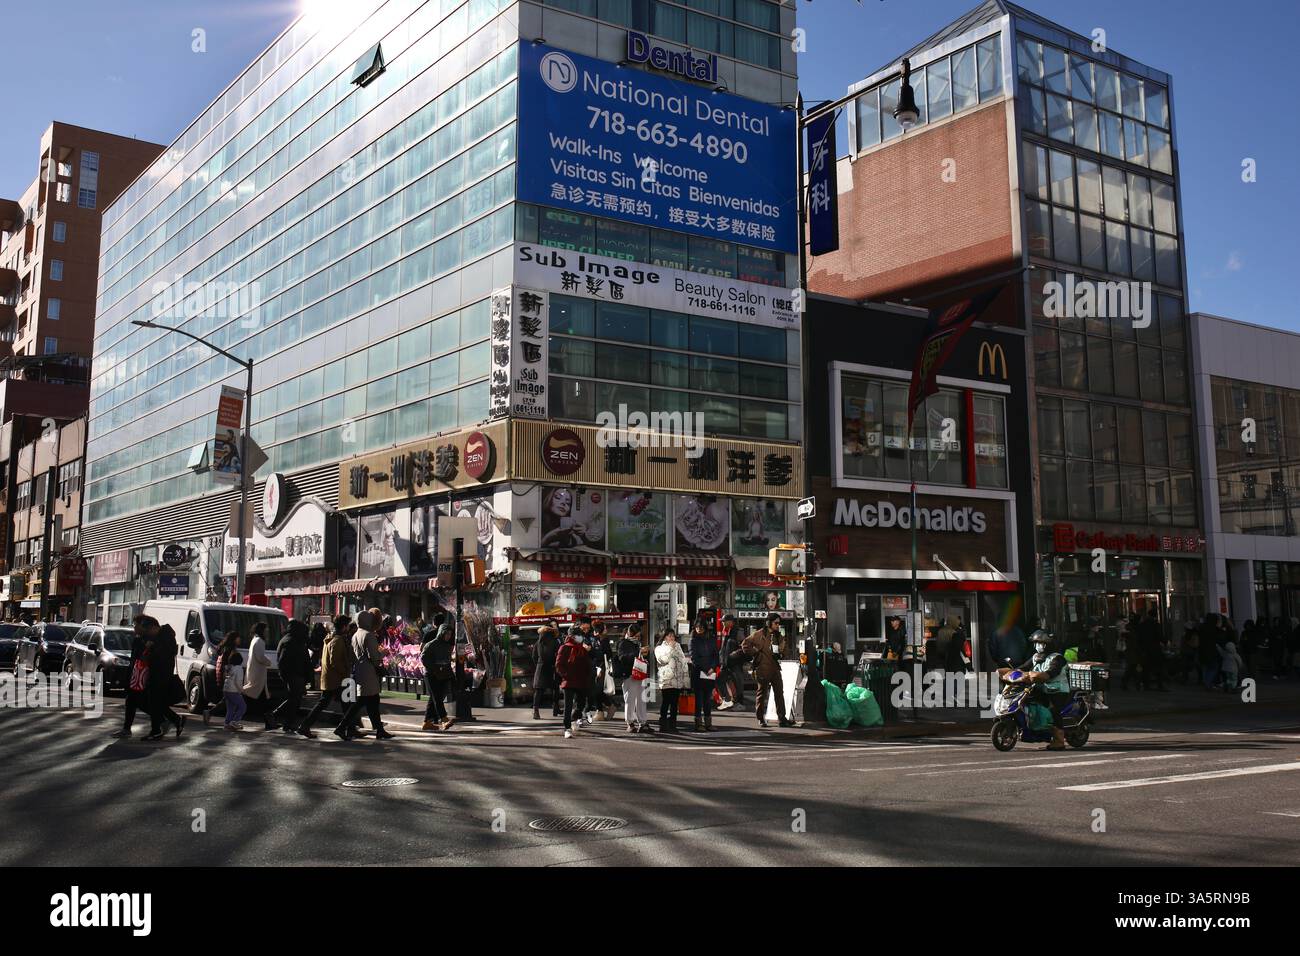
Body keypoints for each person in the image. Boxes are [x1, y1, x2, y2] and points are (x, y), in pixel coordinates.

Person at [338, 610, 394, 740]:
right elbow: (374, 657)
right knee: (364, 701)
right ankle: (341, 727)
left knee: (372, 701)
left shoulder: (355, 634)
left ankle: (379, 729)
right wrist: (383, 654)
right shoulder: (369, 635)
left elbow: (352, 655)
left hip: (359, 670)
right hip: (369, 672)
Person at [297, 616, 354, 739]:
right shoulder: (338, 640)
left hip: (331, 678)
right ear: (344, 626)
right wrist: (345, 672)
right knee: (345, 703)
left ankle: (349, 728)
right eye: (348, 626)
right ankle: (344, 729)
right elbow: (335, 661)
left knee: (342, 704)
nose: (349, 628)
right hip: (337, 679)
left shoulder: (330, 638)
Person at [736, 614, 792, 728]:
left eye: (779, 623)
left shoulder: (779, 636)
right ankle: (760, 718)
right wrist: (755, 653)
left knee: (779, 693)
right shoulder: (759, 634)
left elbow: (786, 651)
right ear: (769, 623)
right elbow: (745, 644)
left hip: (775, 668)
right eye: (776, 623)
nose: (778, 625)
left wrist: (782, 653)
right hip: (762, 668)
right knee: (761, 693)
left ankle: (782, 718)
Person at [1018, 629, 1069, 751]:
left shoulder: (1057, 658)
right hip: (1042, 688)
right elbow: (1024, 667)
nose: (1037, 646)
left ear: (1048, 644)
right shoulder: (1036, 657)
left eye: (1040, 643)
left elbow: (1051, 672)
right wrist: (1012, 673)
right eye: (1036, 643)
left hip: (1058, 690)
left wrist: (1041, 675)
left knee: (1053, 710)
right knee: (1027, 699)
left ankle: (1059, 741)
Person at [142, 616, 185, 741]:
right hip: (159, 675)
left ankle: (157, 730)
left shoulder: (164, 639)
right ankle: (175, 721)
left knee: (155, 703)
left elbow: (160, 657)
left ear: (154, 627)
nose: (148, 634)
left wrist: (150, 649)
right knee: (157, 703)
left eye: (148, 630)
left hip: (161, 675)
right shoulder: (163, 637)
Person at [274, 619, 312, 733]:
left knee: (294, 700)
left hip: (295, 674)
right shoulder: (291, 641)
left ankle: (286, 722)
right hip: (294, 674)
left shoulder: (290, 639)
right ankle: (277, 716)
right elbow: (284, 660)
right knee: (294, 700)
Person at [112, 623, 150, 739]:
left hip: (143, 675)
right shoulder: (138, 640)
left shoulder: (147, 641)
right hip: (136, 675)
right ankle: (126, 728)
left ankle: (168, 719)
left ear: (142, 627)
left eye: (136, 626)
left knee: (138, 702)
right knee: (132, 701)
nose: (134, 628)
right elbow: (134, 659)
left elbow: (144, 659)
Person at [554, 626, 592, 739]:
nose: (581, 638)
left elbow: (587, 665)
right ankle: (567, 728)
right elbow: (559, 665)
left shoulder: (582, 649)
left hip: (581, 681)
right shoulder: (564, 648)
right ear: (573, 636)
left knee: (581, 704)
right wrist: (566, 676)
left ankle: (574, 718)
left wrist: (588, 676)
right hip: (569, 682)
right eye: (579, 635)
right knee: (568, 706)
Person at [420, 614, 456, 732]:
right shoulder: (431, 644)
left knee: (435, 698)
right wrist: (433, 669)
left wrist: (450, 675)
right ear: (441, 633)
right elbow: (423, 658)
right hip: (430, 674)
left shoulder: (446, 646)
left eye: (450, 634)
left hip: (442, 675)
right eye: (447, 634)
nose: (448, 636)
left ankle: (427, 722)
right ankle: (444, 719)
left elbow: (447, 662)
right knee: (437, 697)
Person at [615, 623, 651, 733]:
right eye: (636, 635)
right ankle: (630, 722)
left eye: (639, 636)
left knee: (641, 699)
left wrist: (644, 658)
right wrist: (638, 652)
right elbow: (623, 658)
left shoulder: (636, 643)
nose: (637, 638)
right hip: (629, 675)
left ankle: (642, 722)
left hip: (639, 674)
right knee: (630, 699)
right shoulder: (623, 643)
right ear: (630, 633)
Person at [242, 622, 276, 730]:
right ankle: (270, 723)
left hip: (256, 673)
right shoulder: (260, 641)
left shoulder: (255, 640)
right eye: (265, 629)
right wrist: (269, 662)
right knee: (259, 699)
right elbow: (260, 657)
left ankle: (269, 723)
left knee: (261, 700)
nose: (267, 631)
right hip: (258, 675)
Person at [654, 628, 689, 734]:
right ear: (664, 637)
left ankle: (673, 725)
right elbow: (662, 659)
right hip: (666, 679)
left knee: (674, 703)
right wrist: (670, 648)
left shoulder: (678, 646)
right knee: (666, 702)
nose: (671, 638)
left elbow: (682, 661)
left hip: (677, 679)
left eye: (673, 636)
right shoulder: (659, 648)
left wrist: (686, 677)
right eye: (669, 636)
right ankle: (663, 724)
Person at [688, 620, 719, 732]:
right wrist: (707, 669)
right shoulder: (693, 641)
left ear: (705, 628)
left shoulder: (711, 640)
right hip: (698, 673)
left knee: (707, 700)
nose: (699, 629)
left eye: (701, 627)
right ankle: (698, 723)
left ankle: (708, 723)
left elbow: (716, 655)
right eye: (697, 627)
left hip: (710, 673)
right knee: (699, 700)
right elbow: (694, 658)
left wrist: (712, 667)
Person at [531, 622, 562, 720]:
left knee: (538, 690)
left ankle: (536, 711)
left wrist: (538, 664)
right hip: (552, 667)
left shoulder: (538, 642)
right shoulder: (555, 642)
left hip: (540, 667)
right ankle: (555, 708)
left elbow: (534, 656)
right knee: (555, 688)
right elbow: (558, 655)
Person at [716, 615, 745, 709]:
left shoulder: (738, 632)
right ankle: (727, 700)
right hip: (725, 663)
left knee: (738, 684)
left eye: (724, 621)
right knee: (719, 680)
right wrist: (721, 660)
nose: (722, 623)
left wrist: (734, 654)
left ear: (730, 622)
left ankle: (740, 704)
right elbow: (723, 648)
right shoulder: (725, 631)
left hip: (735, 663)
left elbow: (743, 646)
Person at [223, 651, 248, 730]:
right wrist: (241, 690)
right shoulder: (239, 669)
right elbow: (238, 681)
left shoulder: (229, 667)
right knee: (243, 707)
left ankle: (227, 723)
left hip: (226, 690)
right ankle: (234, 721)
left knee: (230, 708)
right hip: (233, 691)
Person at [1198, 612, 1224, 689]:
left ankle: (1206, 682)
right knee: (1214, 667)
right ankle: (1208, 683)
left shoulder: (1202, 627)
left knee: (1205, 668)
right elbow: (1219, 637)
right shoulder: (1214, 629)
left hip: (1202, 650)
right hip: (1211, 651)